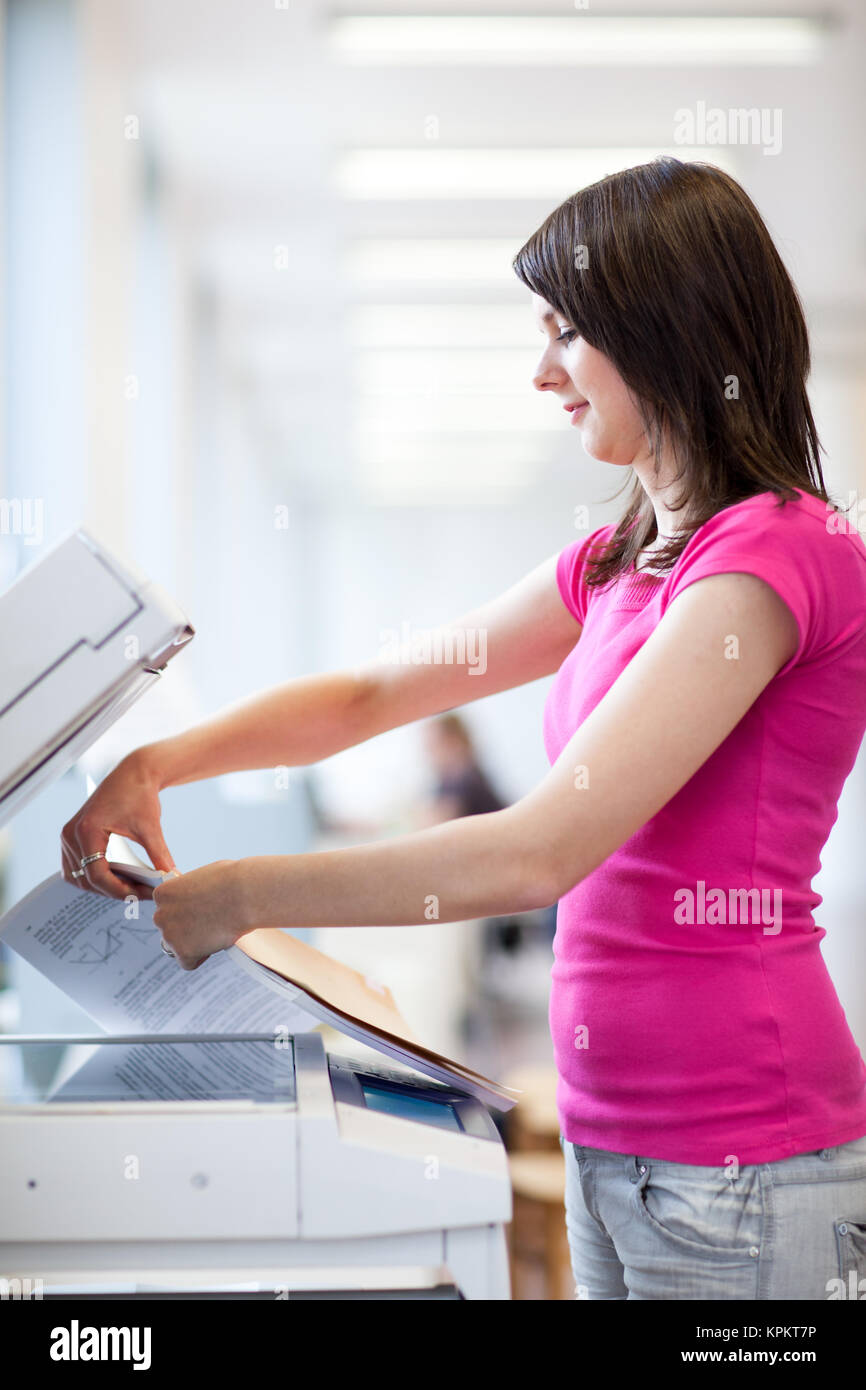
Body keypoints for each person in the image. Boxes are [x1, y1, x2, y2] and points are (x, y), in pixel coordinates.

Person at [61, 156, 866, 1301]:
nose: (541, 374)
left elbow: (539, 849)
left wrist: (245, 892)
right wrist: (155, 760)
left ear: (663, 327)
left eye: (564, 333)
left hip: (744, 1158)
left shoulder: (777, 552)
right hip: (613, 1141)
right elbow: (372, 696)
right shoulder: (616, 564)